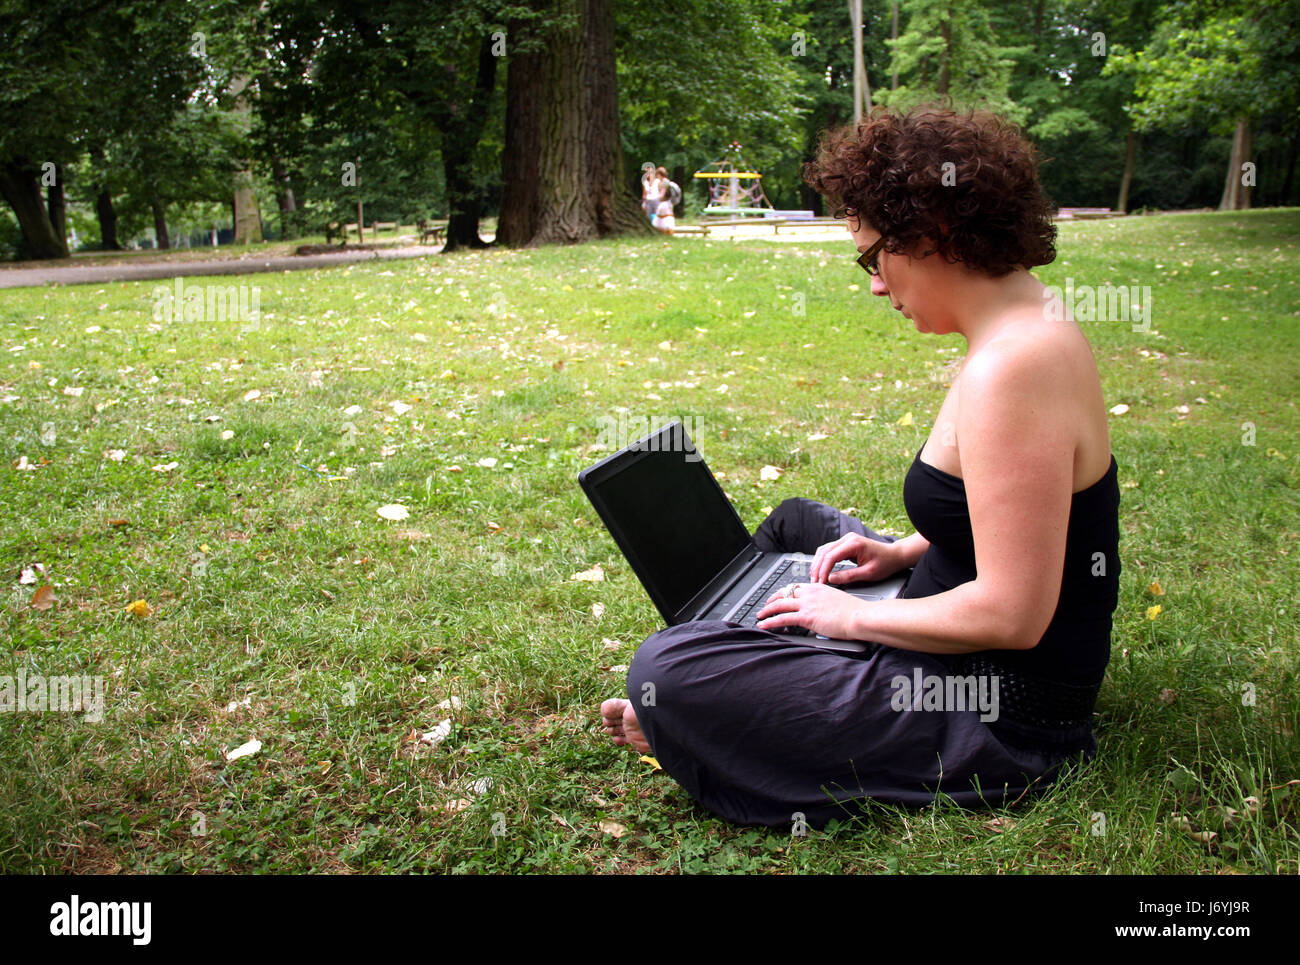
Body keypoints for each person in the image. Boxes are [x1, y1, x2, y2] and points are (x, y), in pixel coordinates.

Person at [599, 106, 1122, 829]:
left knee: (666, 670)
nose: (876, 284)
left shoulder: (1015, 367)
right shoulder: (1024, 325)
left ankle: (728, 692)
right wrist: (900, 551)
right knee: (796, 524)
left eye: (873, 256)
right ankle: (764, 648)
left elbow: (1015, 613)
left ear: (931, 232)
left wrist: (851, 619)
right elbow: (1016, 514)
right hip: (946, 630)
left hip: (994, 712)